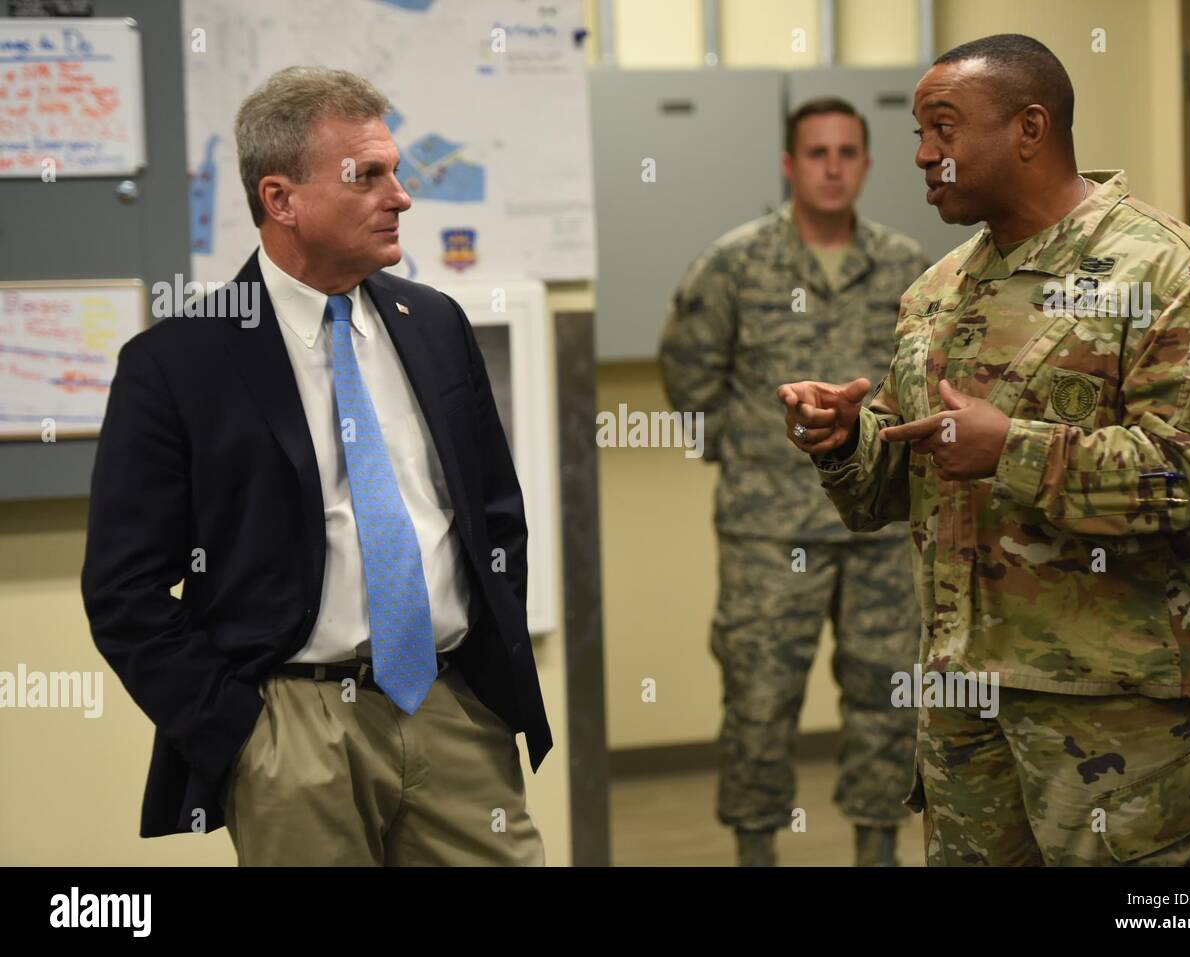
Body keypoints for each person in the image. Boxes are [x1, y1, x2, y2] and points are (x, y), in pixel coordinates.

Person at [781, 34, 1190, 865]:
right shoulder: (937, 291)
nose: (926, 155)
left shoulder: (1169, 271)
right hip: (966, 708)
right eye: (919, 135)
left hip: (1120, 719)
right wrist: (841, 441)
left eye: (945, 129)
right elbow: (890, 487)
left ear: (1030, 130)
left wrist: (1016, 452)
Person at [81, 66, 551, 865]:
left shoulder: (434, 323)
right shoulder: (176, 363)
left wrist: (484, 679)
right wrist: (240, 734)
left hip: (453, 708)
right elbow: (123, 590)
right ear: (281, 199)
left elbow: (496, 517)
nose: (400, 196)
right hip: (292, 730)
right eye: (367, 176)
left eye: (395, 170)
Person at [660, 97, 930, 866]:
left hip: (876, 523)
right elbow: (688, 376)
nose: (834, 166)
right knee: (759, 700)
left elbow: (923, 381)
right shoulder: (735, 262)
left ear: (868, 164)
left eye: (849, 151)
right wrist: (751, 453)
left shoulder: (909, 266)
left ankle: (877, 848)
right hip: (769, 530)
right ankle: (757, 850)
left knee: (886, 698)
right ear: (789, 164)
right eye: (818, 153)